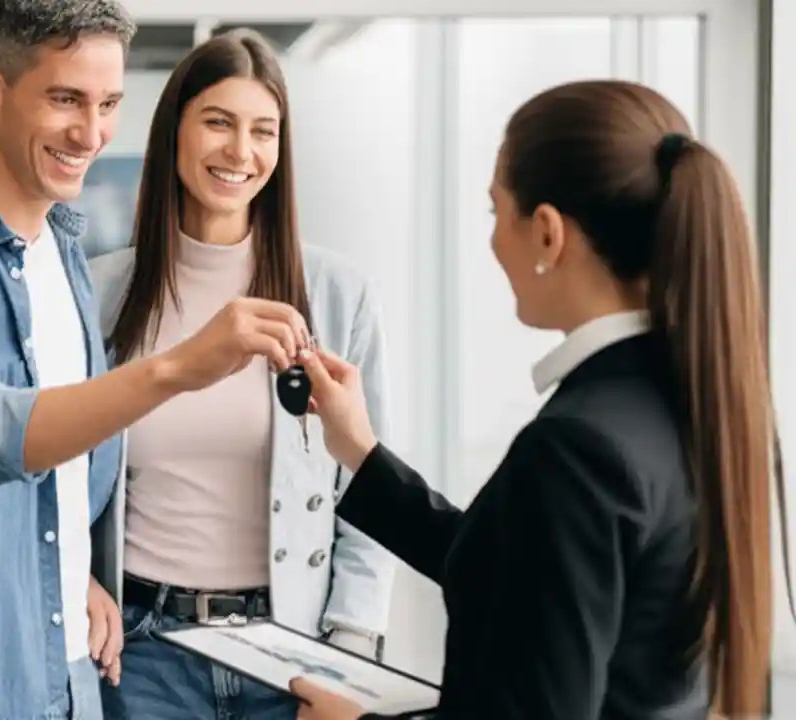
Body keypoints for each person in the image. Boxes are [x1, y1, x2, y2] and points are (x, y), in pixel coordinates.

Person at [0, 2, 314, 719]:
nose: (91, 133)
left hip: (64, 671)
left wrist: (76, 575)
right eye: (65, 100)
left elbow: (71, 475)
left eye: (109, 103)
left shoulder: (61, 250)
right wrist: (177, 368)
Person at [287, 79, 781, 720]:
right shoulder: (690, 402)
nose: (493, 241)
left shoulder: (578, 447)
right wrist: (360, 452)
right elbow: (524, 581)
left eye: (496, 212)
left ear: (548, 233)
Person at [88, 28, 397, 719]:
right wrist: (76, 581)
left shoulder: (336, 294)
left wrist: (347, 655)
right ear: (176, 132)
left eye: (264, 130)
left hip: (292, 653)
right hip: (143, 656)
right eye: (219, 123)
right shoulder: (101, 293)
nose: (241, 151)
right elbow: (59, 478)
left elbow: (371, 492)